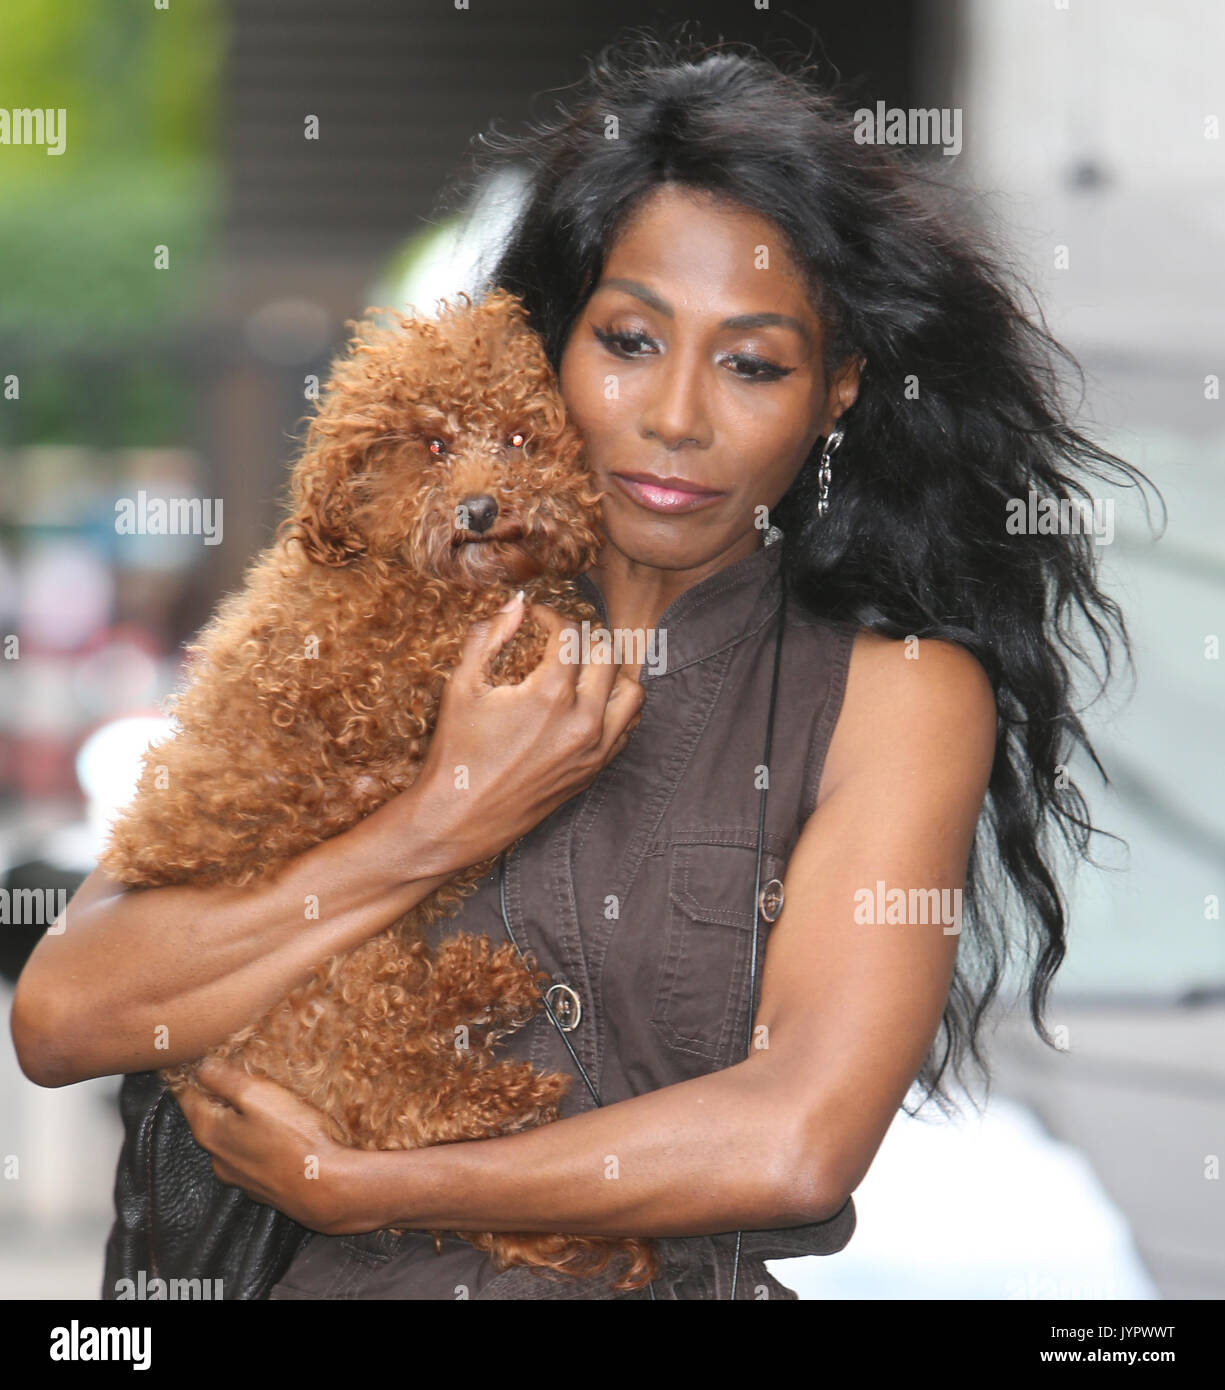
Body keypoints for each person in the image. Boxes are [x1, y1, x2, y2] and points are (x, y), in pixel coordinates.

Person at [12, 33, 1157, 1300]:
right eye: (628, 340)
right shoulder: (379, 612)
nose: (676, 413)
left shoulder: (892, 697)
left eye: (752, 364)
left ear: (835, 392)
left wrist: (370, 1184)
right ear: (552, 342)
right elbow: (64, 1020)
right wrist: (439, 821)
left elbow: (794, 1141)